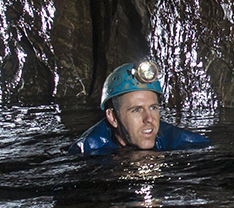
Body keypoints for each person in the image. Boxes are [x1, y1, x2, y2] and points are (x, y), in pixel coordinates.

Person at [71, 61, 211, 154]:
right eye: (136, 110)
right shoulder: (88, 152)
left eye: (153, 108)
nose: (149, 119)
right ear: (113, 117)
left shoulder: (187, 143)